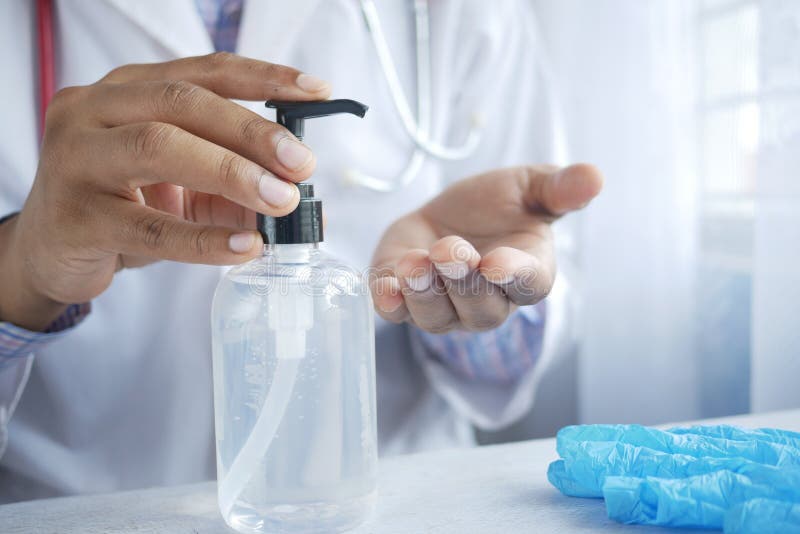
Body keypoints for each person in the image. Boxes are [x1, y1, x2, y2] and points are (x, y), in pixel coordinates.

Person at [0, 0, 602, 502]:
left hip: (393, 494)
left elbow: (529, 309)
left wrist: (468, 291)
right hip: (89, 507)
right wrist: (22, 275)